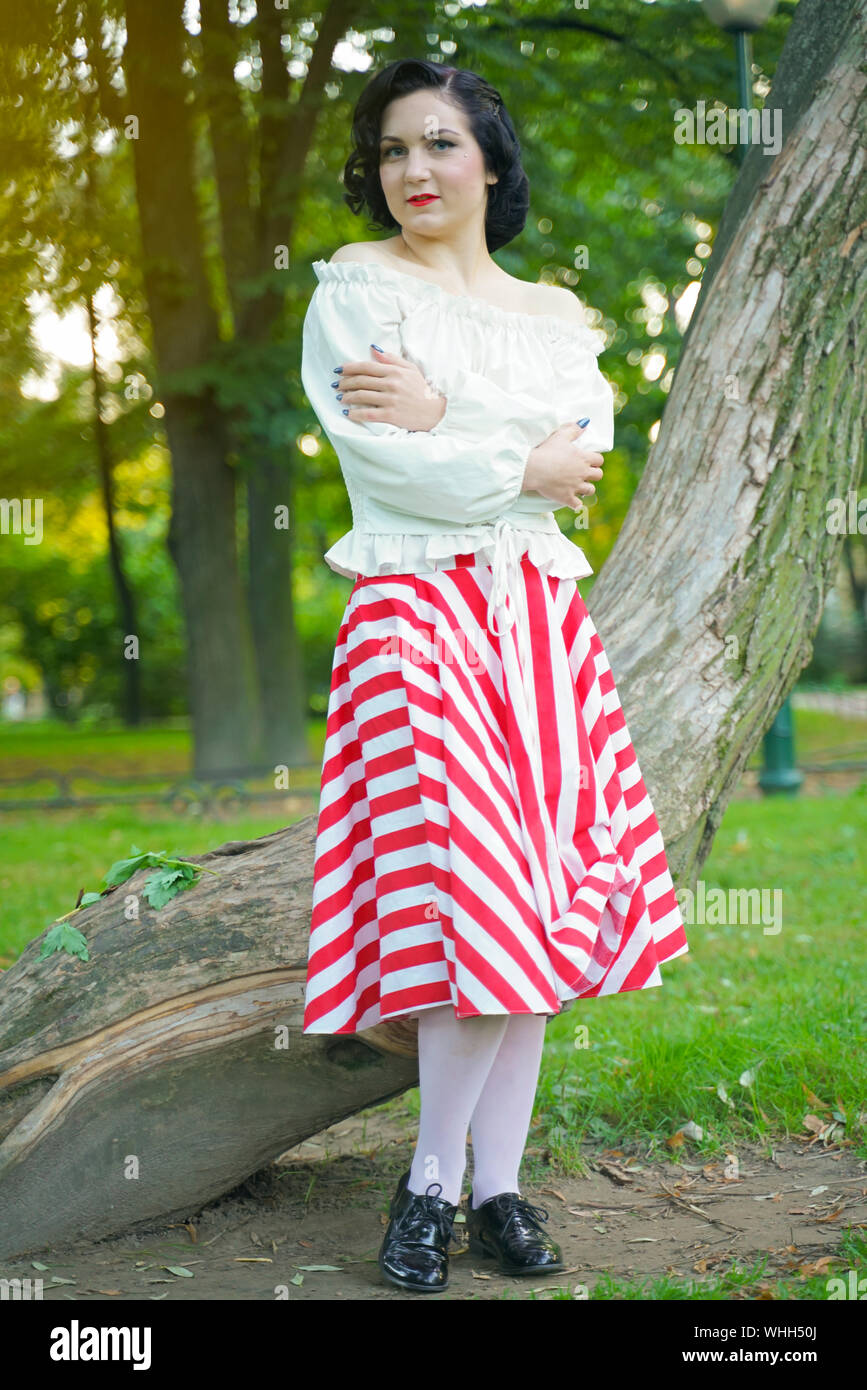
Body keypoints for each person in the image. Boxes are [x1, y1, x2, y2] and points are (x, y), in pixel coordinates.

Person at [299, 57, 689, 1294]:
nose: (413, 170)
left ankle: (500, 1188)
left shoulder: (565, 318)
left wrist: (453, 415)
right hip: (416, 608)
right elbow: (385, 463)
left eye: (440, 145)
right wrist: (506, 454)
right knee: (472, 899)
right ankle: (426, 1188)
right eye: (393, 150)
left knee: (530, 910)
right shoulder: (356, 291)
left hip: (538, 621)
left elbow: (581, 463)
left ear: (490, 162)